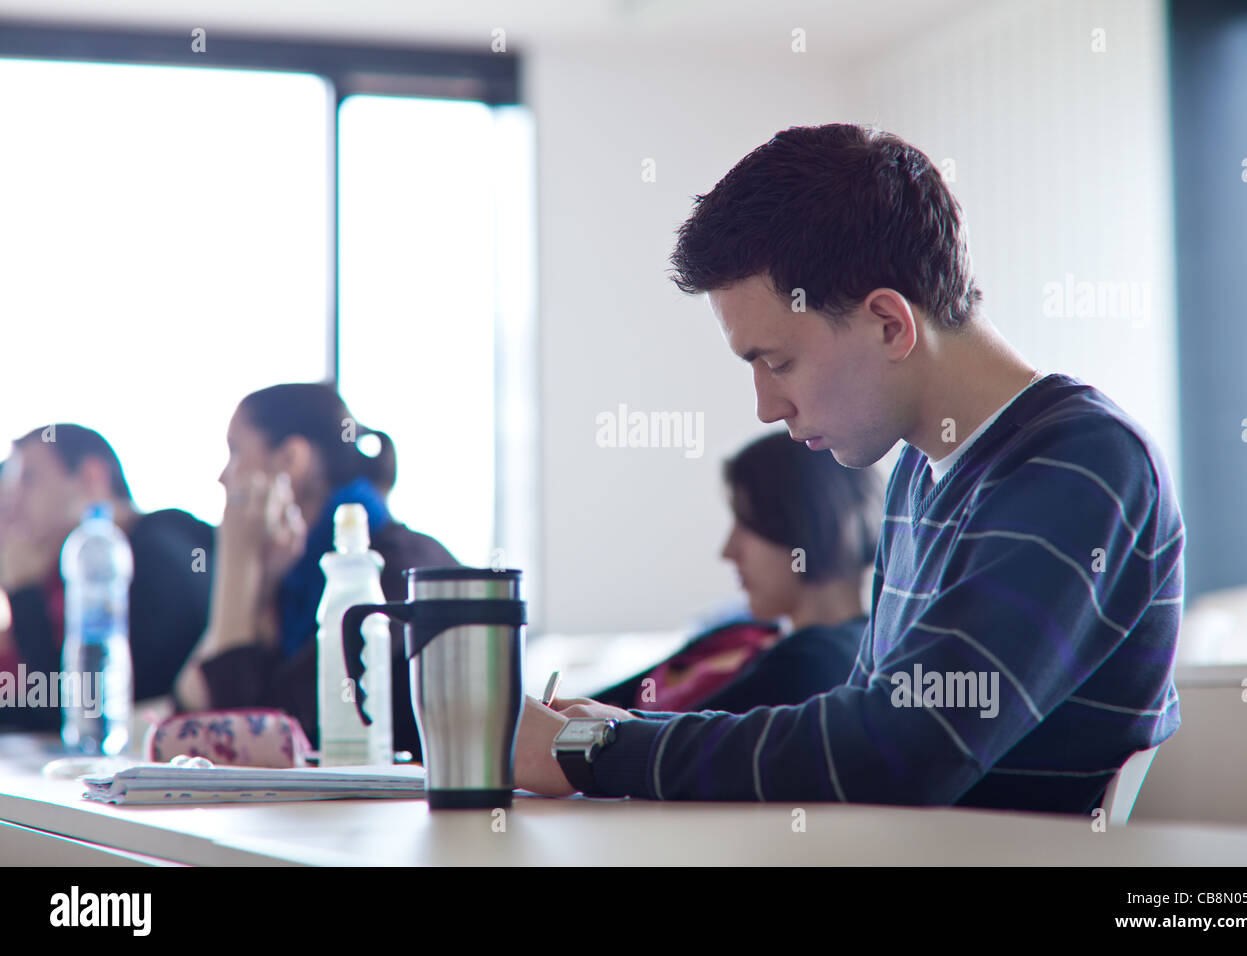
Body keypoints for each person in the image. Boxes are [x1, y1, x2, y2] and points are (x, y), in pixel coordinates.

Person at [513, 124, 1184, 815]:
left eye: (778, 363)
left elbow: (902, 751)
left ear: (890, 324)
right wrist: (617, 733)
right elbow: (858, 723)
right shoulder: (920, 476)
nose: (768, 407)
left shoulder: (1083, 464)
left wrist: (593, 751)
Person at [172, 383, 459, 757]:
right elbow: (189, 709)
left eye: (236, 450)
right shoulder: (294, 573)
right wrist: (255, 582)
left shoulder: (391, 571)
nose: (223, 476)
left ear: (290, 459)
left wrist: (237, 559)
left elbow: (252, 740)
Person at [594, 431, 883, 713]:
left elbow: (661, 747)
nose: (727, 551)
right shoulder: (743, 632)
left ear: (807, 527)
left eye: (746, 523)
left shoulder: (818, 658)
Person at [0, 425, 214, 730]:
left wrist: (23, 593)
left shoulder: (162, 552)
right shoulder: (96, 566)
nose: (11, 505)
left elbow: (82, 709)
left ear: (91, 477)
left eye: (28, 480)